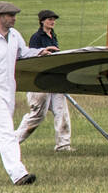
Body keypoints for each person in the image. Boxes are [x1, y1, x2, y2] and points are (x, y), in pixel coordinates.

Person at [0, 2, 57, 185]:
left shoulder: (14, 35)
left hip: (8, 92)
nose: (14, 18)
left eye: (15, 15)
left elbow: (23, 53)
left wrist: (41, 51)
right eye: (10, 15)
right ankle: (18, 174)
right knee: (6, 132)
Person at [15, 10, 73, 152]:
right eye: (49, 20)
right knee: (37, 116)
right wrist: (43, 51)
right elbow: (32, 59)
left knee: (62, 111)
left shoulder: (53, 35)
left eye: (53, 19)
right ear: (42, 21)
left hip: (54, 78)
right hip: (39, 80)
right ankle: (11, 142)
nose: (52, 22)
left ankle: (63, 145)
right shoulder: (36, 37)